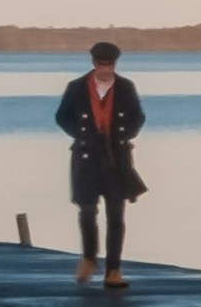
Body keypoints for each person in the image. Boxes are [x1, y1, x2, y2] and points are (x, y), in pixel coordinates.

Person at [57, 41, 148, 288]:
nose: (105, 69)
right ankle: (88, 258)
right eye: (101, 64)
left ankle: (113, 270)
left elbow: (138, 117)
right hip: (86, 158)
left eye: (109, 65)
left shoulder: (126, 87)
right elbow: (61, 116)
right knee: (87, 211)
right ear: (94, 63)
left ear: (115, 64)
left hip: (116, 158)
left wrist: (123, 135)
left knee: (116, 215)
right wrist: (81, 135)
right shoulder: (76, 88)